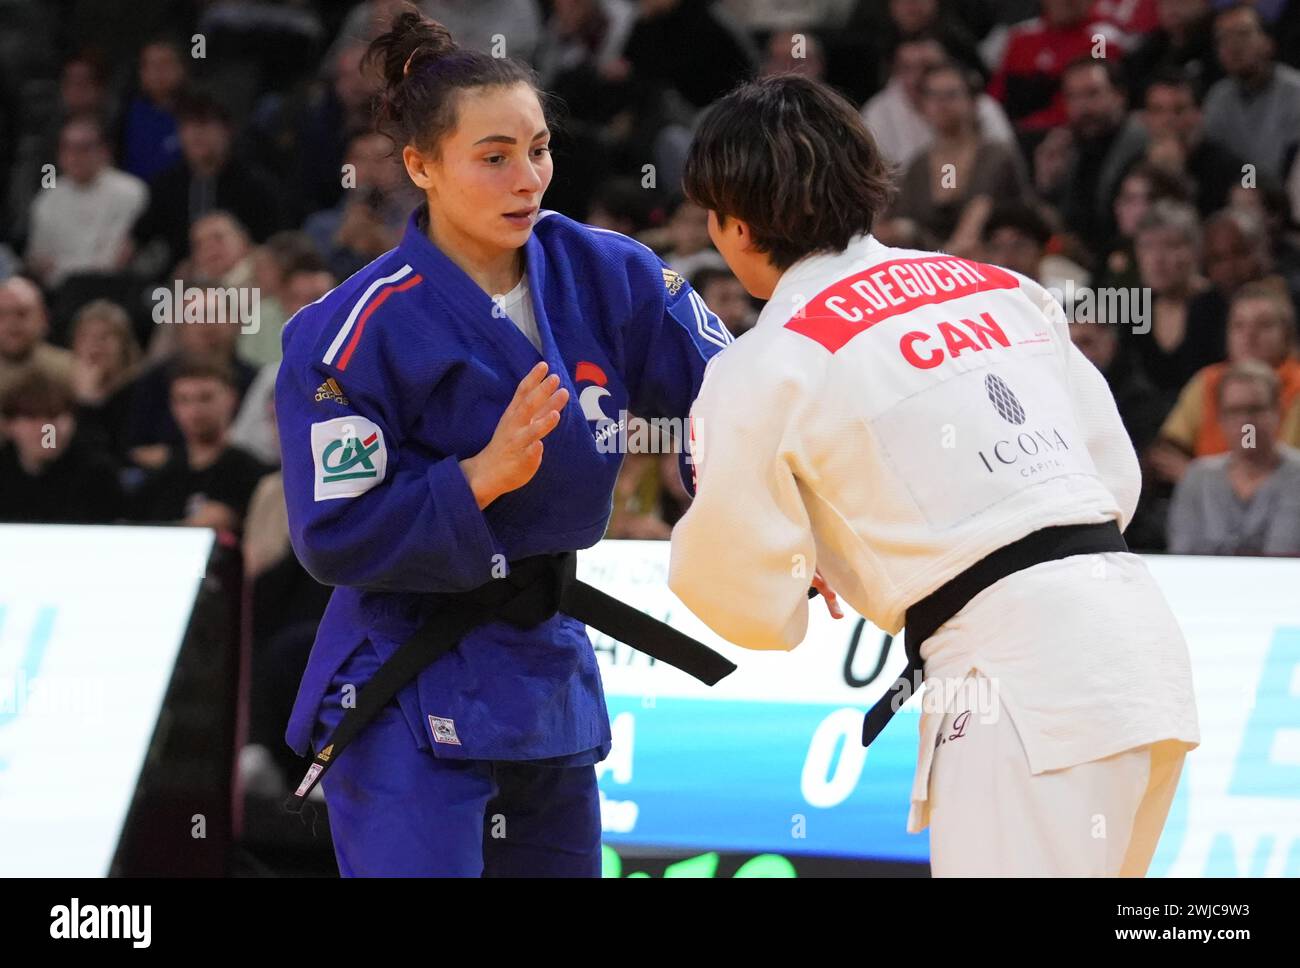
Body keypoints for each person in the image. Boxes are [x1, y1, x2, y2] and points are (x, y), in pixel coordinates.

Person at [668, 75, 1200, 876]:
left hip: (1017, 686)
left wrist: (807, 558)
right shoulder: (1002, 288)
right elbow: (1109, 479)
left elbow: (741, 599)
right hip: (1139, 650)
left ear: (733, 225)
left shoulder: (761, 364)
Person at [275, 9, 729, 877]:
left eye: (540, 148)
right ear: (422, 166)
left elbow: (735, 392)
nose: (528, 179)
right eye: (494, 157)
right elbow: (333, 533)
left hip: (542, 667)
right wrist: (477, 478)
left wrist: (765, 510)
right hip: (408, 672)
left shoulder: (611, 273)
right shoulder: (349, 333)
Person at [1167, 360, 1300, 555]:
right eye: (1235, 411)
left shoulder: (1296, 475)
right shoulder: (1197, 477)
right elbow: (1183, 557)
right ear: (1221, 418)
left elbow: (1284, 556)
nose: (1246, 422)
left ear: (1278, 412)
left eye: (1255, 410)